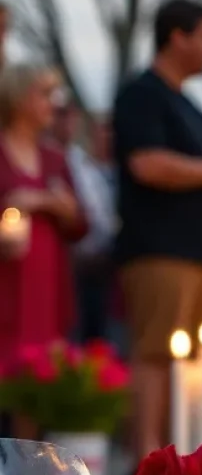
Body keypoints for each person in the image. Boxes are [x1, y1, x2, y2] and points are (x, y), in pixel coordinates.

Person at [113, 0, 202, 461]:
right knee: (156, 356)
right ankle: (147, 460)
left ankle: (182, 460)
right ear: (177, 36)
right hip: (160, 253)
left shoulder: (189, 106)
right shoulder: (142, 93)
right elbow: (146, 163)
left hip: (201, 256)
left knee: (191, 364)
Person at [0, 65, 86, 361]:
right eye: (46, 94)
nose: (55, 103)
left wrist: (65, 209)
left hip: (48, 280)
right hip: (8, 280)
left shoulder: (54, 158)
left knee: (44, 369)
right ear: (18, 98)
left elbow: (80, 226)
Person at [52, 99, 118, 344]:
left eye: (71, 115)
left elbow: (98, 214)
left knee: (96, 338)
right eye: (60, 114)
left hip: (98, 263)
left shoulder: (84, 164)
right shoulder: (51, 159)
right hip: (67, 262)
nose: (67, 122)